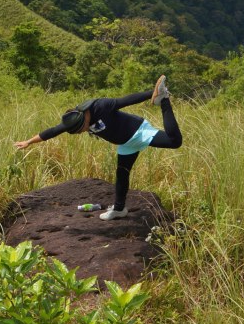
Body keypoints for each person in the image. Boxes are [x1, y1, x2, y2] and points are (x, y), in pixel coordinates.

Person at [14, 75, 182, 221]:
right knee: (122, 173)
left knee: (174, 141)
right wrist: (29, 142)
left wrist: (153, 94)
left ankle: (164, 100)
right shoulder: (72, 120)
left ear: (84, 119)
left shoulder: (101, 106)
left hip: (138, 132)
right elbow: (51, 131)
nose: (85, 131)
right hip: (125, 144)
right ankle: (119, 209)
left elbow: (127, 100)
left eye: (84, 129)